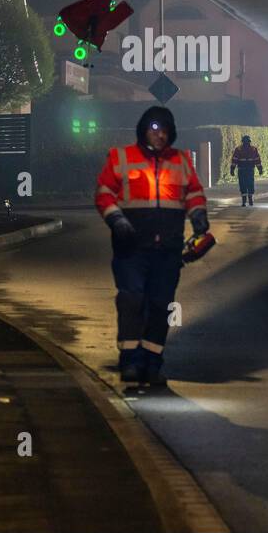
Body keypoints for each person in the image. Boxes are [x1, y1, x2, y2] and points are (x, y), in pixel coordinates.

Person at [95, 106, 209, 386]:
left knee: (160, 306)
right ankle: (131, 362)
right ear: (143, 129)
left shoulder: (181, 160)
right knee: (131, 300)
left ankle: (152, 363)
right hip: (130, 247)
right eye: (154, 128)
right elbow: (104, 193)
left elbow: (193, 191)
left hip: (168, 250)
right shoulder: (121, 157)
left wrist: (198, 215)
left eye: (164, 130)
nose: (159, 134)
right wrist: (117, 220)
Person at [230, 134, 264, 206]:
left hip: (242, 170)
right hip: (249, 170)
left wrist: (232, 169)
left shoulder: (238, 149)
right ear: (249, 141)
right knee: (249, 183)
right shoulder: (253, 149)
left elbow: (234, 160)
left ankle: (244, 201)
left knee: (243, 184)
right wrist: (260, 169)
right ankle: (250, 199)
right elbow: (257, 160)